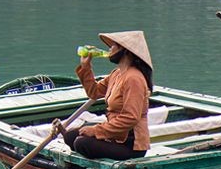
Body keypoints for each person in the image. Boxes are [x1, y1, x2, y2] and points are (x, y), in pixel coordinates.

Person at [56, 30, 154, 160]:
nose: (110, 50)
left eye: (114, 46)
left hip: (130, 144)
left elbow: (131, 118)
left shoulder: (133, 78)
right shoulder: (117, 74)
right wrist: (86, 67)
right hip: (115, 136)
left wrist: (96, 130)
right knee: (70, 136)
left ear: (125, 51)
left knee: (81, 143)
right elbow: (94, 92)